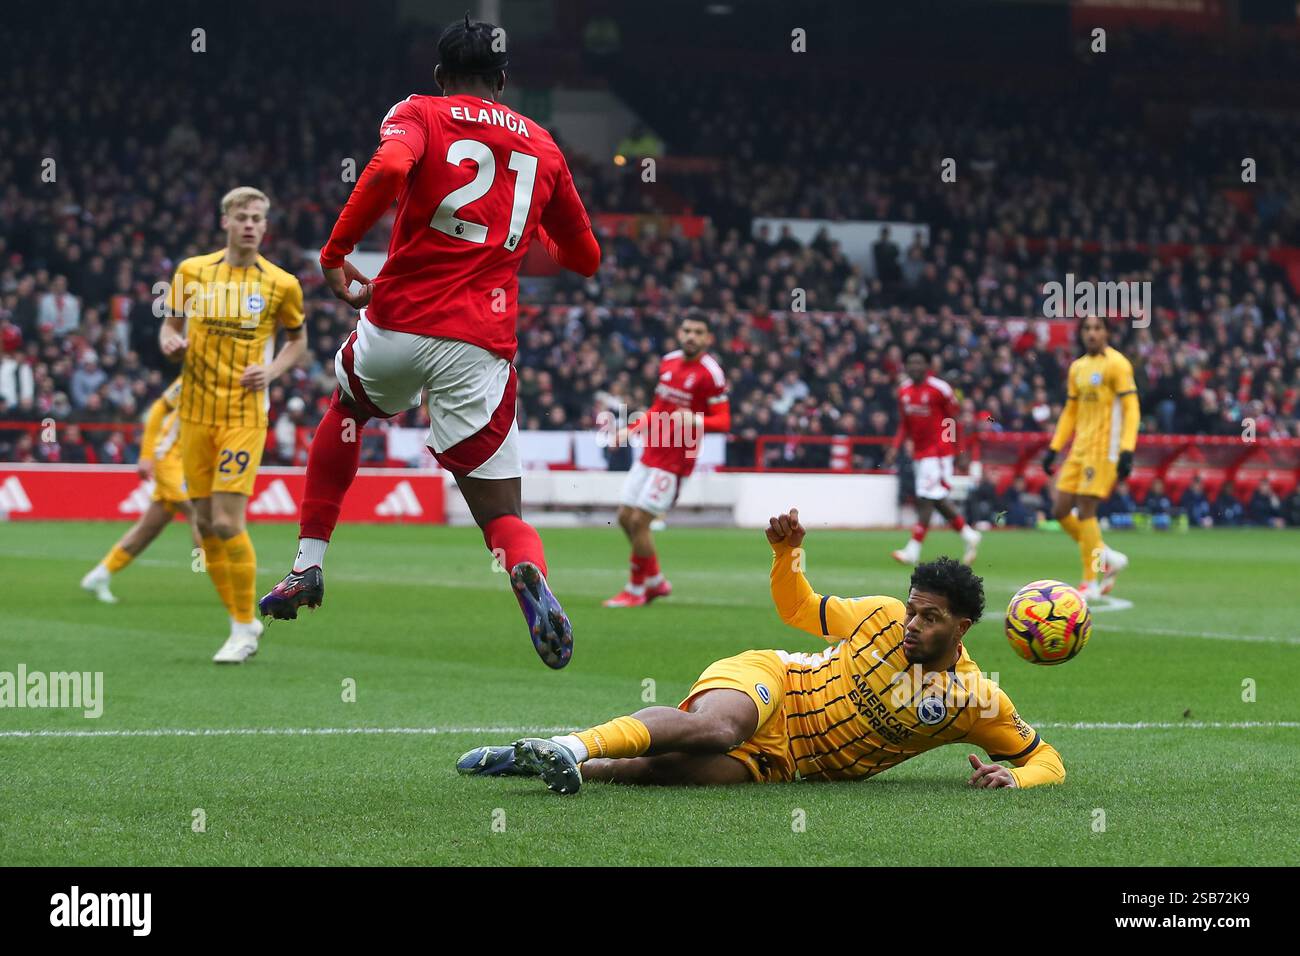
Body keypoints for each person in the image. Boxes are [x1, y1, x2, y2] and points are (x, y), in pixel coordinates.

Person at [259, 17, 600, 670]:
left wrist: (334, 254)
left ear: (441, 76)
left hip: (398, 321)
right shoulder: (545, 147)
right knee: (502, 516)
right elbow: (585, 258)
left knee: (350, 411)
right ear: (502, 81)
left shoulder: (420, 111)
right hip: (480, 344)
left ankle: (307, 565)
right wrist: (532, 236)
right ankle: (526, 572)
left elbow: (389, 165)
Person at [458, 508, 1065, 794]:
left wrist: (1014, 778)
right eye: (912, 608)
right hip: (776, 684)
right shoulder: (879, 616)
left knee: (650, 772)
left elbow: (1049, 762)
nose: (911, 623)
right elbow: (799, 610)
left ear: (961, 630)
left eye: (929, 618)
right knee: (716, 728)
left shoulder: (972, 699)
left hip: (785, 761)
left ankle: (533, 755)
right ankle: (571, 744)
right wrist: (787, 553)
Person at [159, 186, 307, 663]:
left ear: (266, 226)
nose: (250, 224)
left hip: (244, 414)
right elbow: (170, 326)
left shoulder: (281, 283)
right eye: (242, 216)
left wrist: (274, 370)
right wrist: (169, 342)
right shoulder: (191, 272)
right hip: (195, 413)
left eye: (258, 218)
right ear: (225, 221)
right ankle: (240, 621)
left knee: (225, 520)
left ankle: (244, 628)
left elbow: (297, 341)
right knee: (203, 525)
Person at [603, 313, 729, 607]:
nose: (691, 336)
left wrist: (695, 419)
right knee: (624, 517)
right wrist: (630, 429)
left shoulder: (711, 373)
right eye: (687, 330)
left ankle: (636, 590)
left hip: (676, 460)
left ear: (708, 338)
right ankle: (656, 581)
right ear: (679, 332)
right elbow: (659, 406)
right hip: (651, 451)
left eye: (698, 332)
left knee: (640, 520)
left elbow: (724, 421)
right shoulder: (669, 361)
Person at [1041, 315, 1140, 598]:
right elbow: (1071, 411)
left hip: (1104, 450)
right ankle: (1108, 558)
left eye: (1098, 328)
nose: (1092, 333)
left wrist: (1127, 450)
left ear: (1107, 332)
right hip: (1079, 449)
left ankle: (1089, 579)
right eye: (1087, 329)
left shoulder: (1118, 365)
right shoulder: (1077, 368)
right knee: (1060, 510)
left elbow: (1132, 409)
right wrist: (1054, 447)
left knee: (1086, 509)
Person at [80, 377, 202, 602]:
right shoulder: (193, 378)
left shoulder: (225, 382)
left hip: (183, 463)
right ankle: (220, 574)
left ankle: (99, 574)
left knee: (148, 529)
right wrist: (145, 456)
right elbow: (157, 409)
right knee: (197, 510)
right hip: (166, 460)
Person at [886, 348, 981, 565]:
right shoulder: (904, 391)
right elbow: (904, 424)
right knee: (935, 498)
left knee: (926, 499)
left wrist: (960, 450)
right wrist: (895, 447)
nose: (915, 367)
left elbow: (954, 419)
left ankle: (913, 550)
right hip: (920, 453)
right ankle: (969, 535)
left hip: (938, 451)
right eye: (911, 362)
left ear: (927, 366)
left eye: (919, 362)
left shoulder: (940, 389)